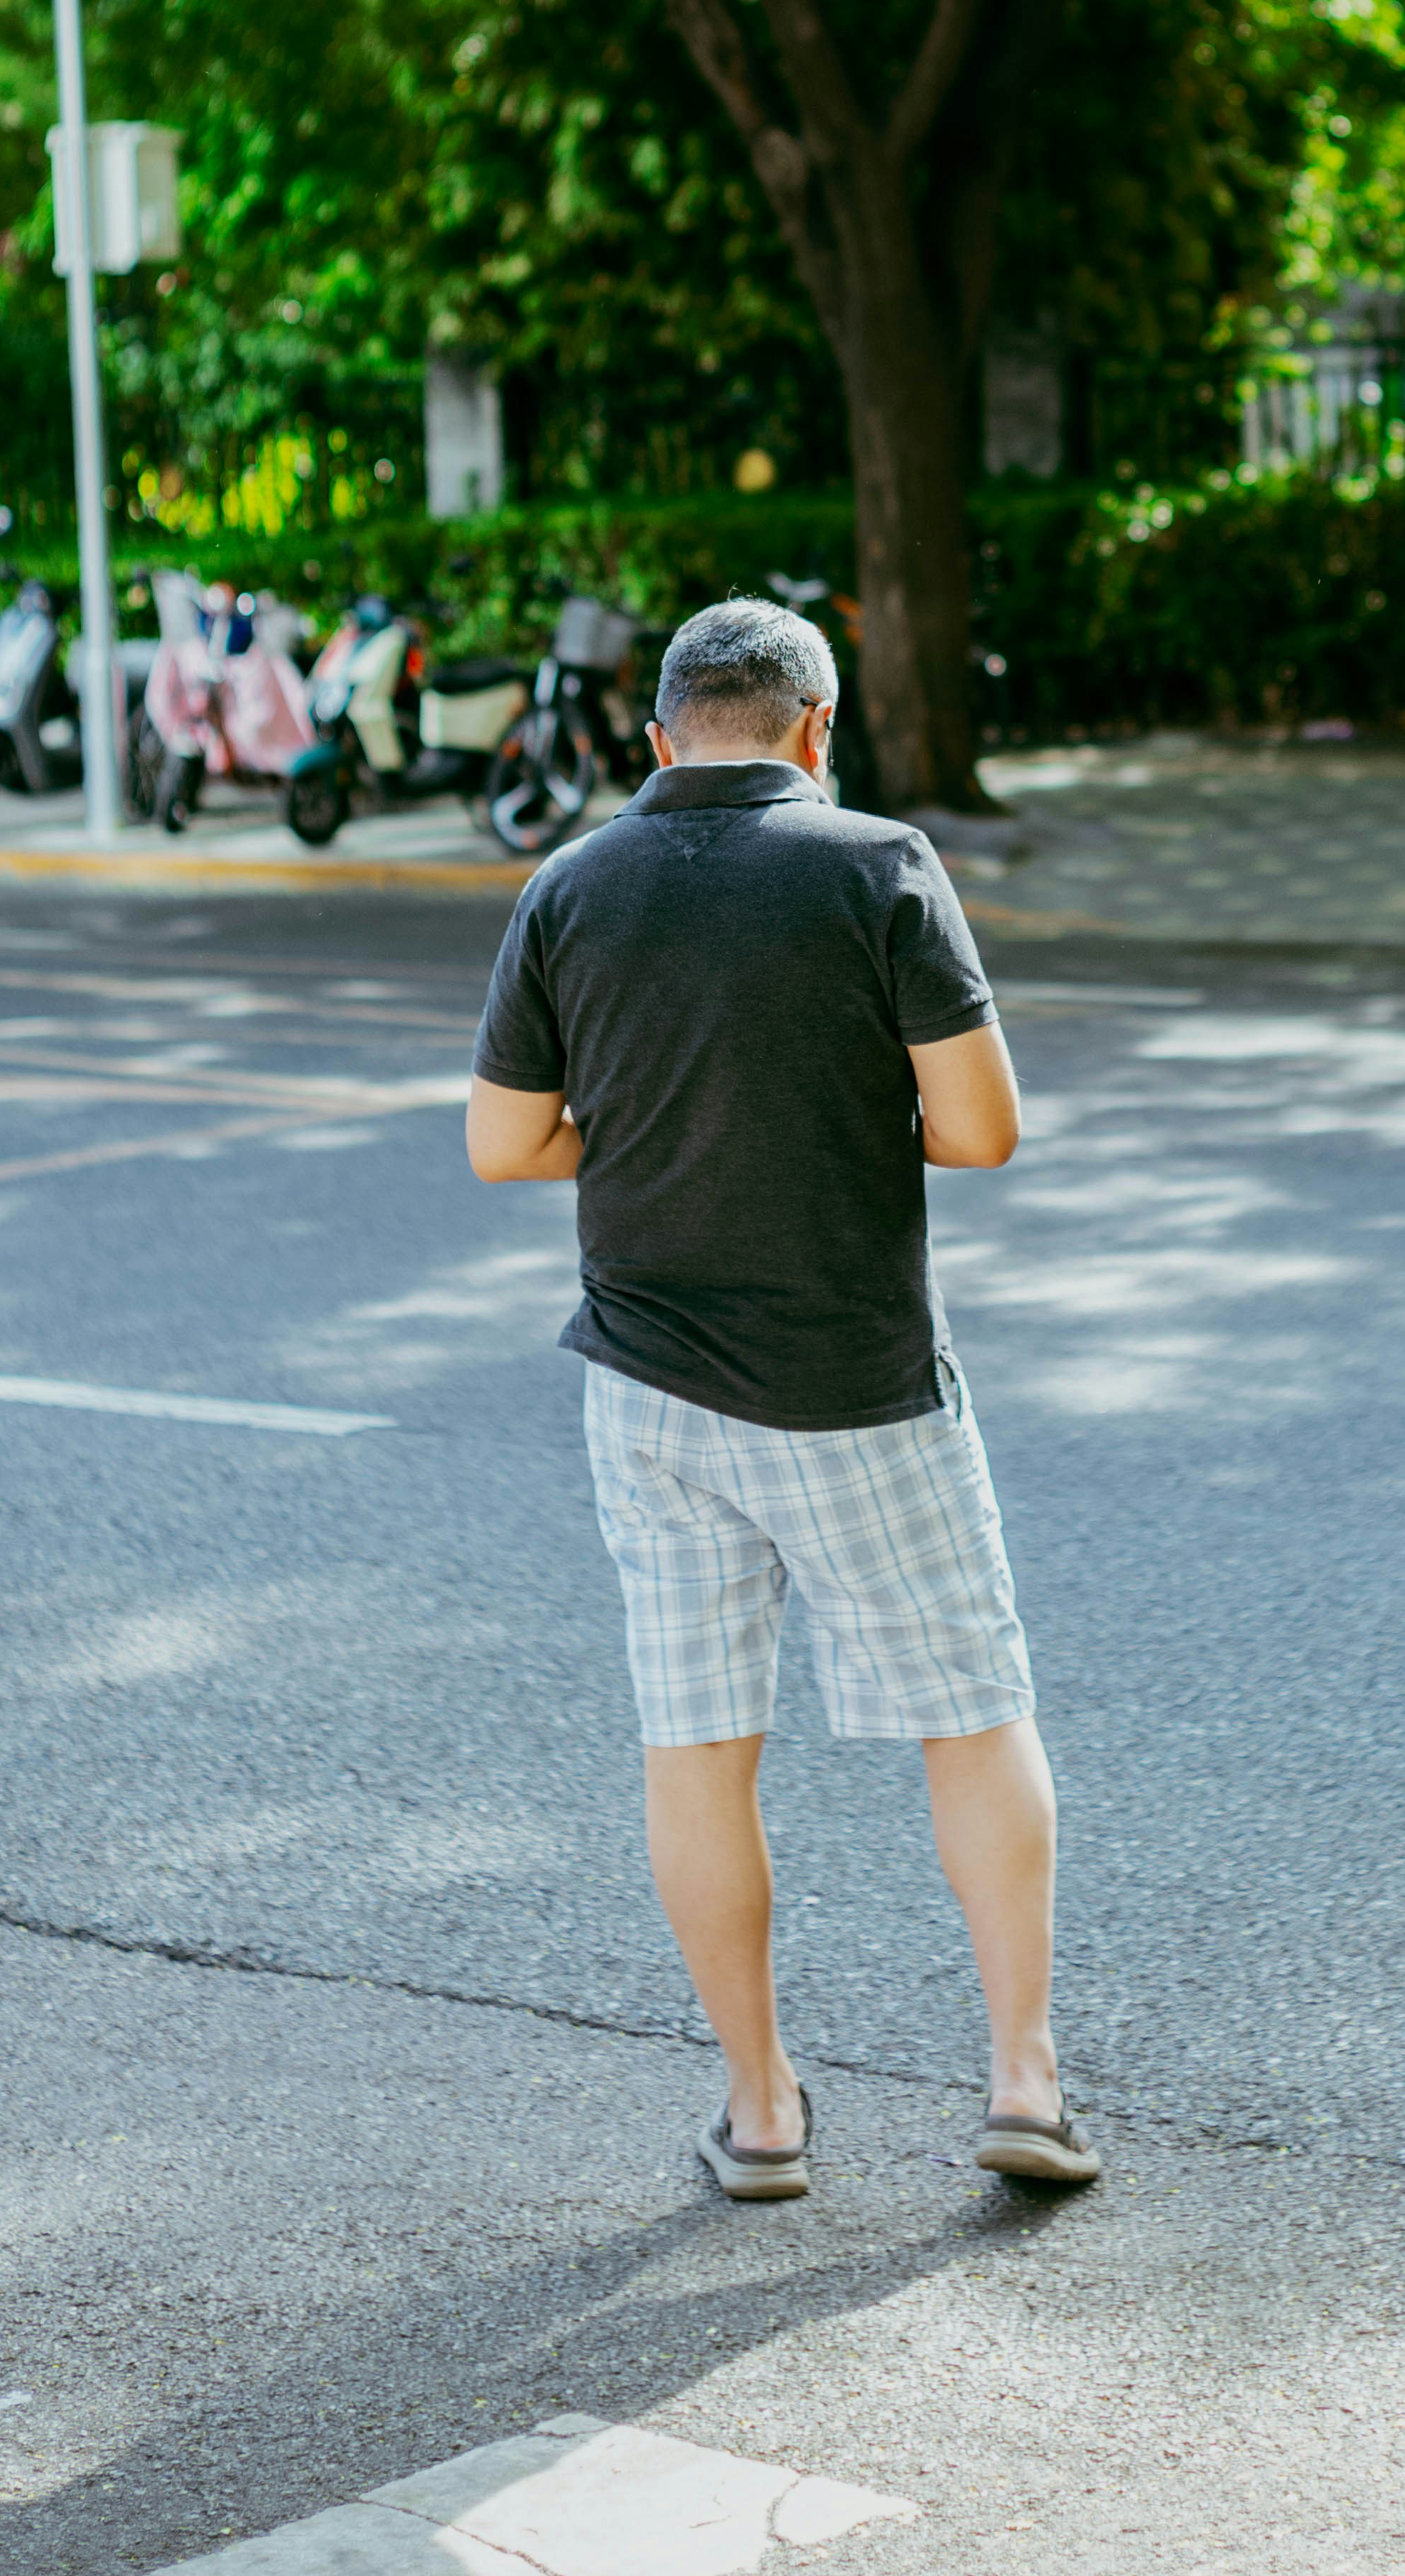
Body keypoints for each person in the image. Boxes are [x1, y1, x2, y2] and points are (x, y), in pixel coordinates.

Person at [464, 593, 1096, 2204]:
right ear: (820, 729)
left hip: (650, 1390)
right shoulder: (877, 863)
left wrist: (666, 1129)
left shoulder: (570, 883)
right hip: (856, 1385)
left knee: (697, 1745)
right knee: (972, 1710)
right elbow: (980, 1129)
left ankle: (759, 2111)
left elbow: (506, 1141)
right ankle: (1021, 2076)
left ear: (662, 733)